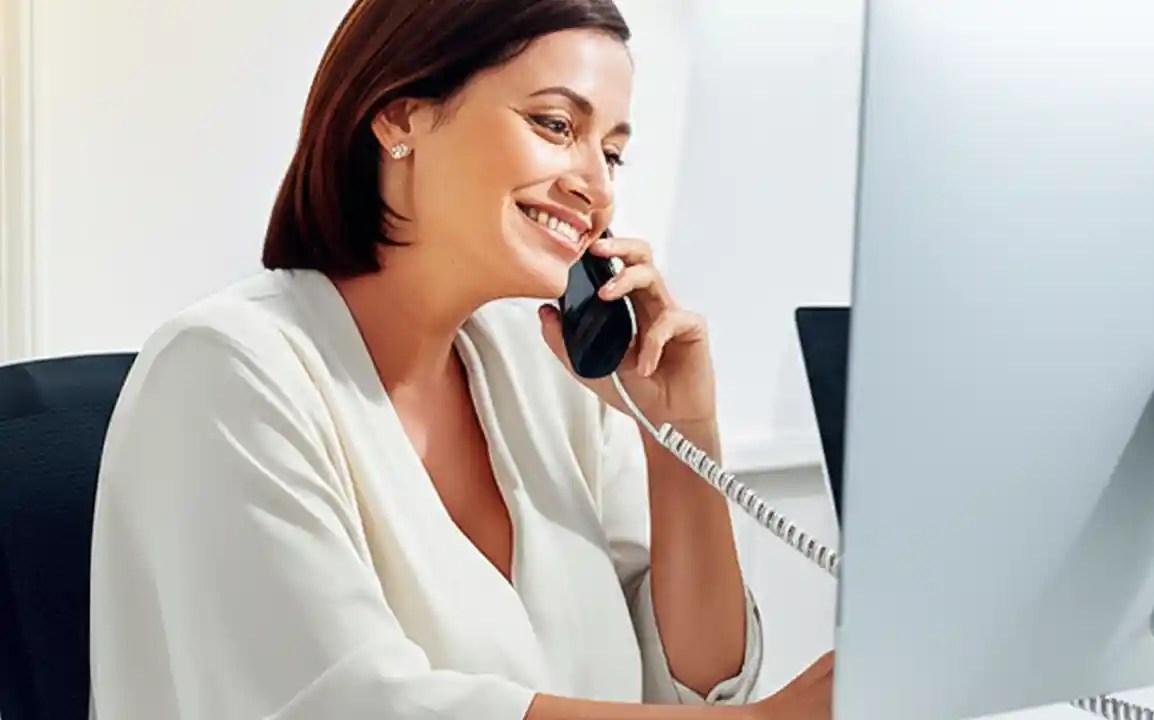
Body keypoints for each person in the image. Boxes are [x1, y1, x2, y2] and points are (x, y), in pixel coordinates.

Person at [88, 1, 834, 718]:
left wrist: (680, 434)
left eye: (612, 153)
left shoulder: (554, 375)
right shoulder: (227, 371)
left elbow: (693, 693)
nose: (596, 186)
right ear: (400, 113)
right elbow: (347, 708)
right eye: (554, 124)